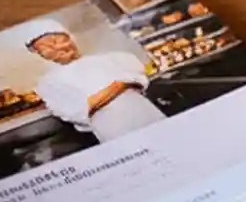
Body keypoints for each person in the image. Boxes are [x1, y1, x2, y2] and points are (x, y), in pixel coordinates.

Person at [25, 20, 166, 143]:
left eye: (57, 40)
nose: (57, 48)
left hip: (150, 117)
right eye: (46, 47)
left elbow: (139, 76)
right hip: (117, 133)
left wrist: (108, 93)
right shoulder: (48, 84)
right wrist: (120, 84)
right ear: (41, 54)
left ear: (70, 38)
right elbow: (78, 111)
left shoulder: (113, 58)